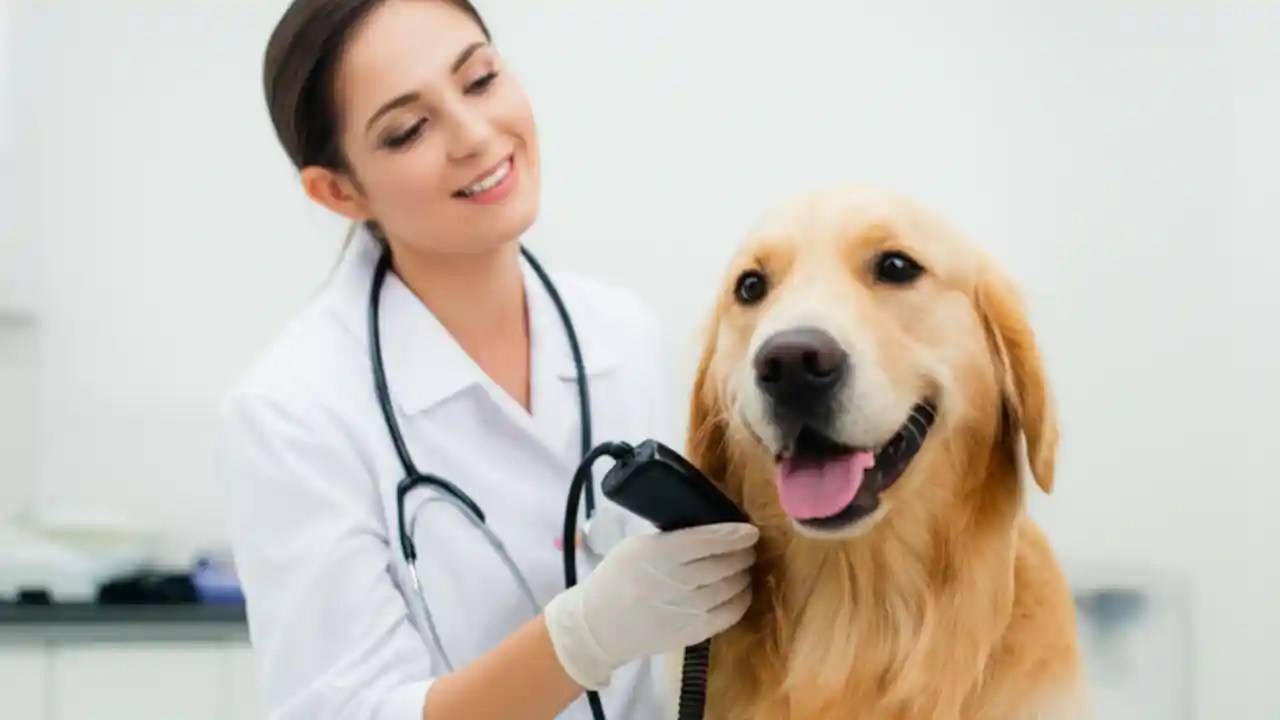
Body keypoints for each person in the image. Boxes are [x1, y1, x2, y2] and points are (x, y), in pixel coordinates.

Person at [214, 1, 759, 719]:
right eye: (408, 129)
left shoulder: (620, 332)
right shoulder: (296, 411)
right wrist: (582, 636)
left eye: (478, 80)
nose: (474, 135)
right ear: (338, 190)